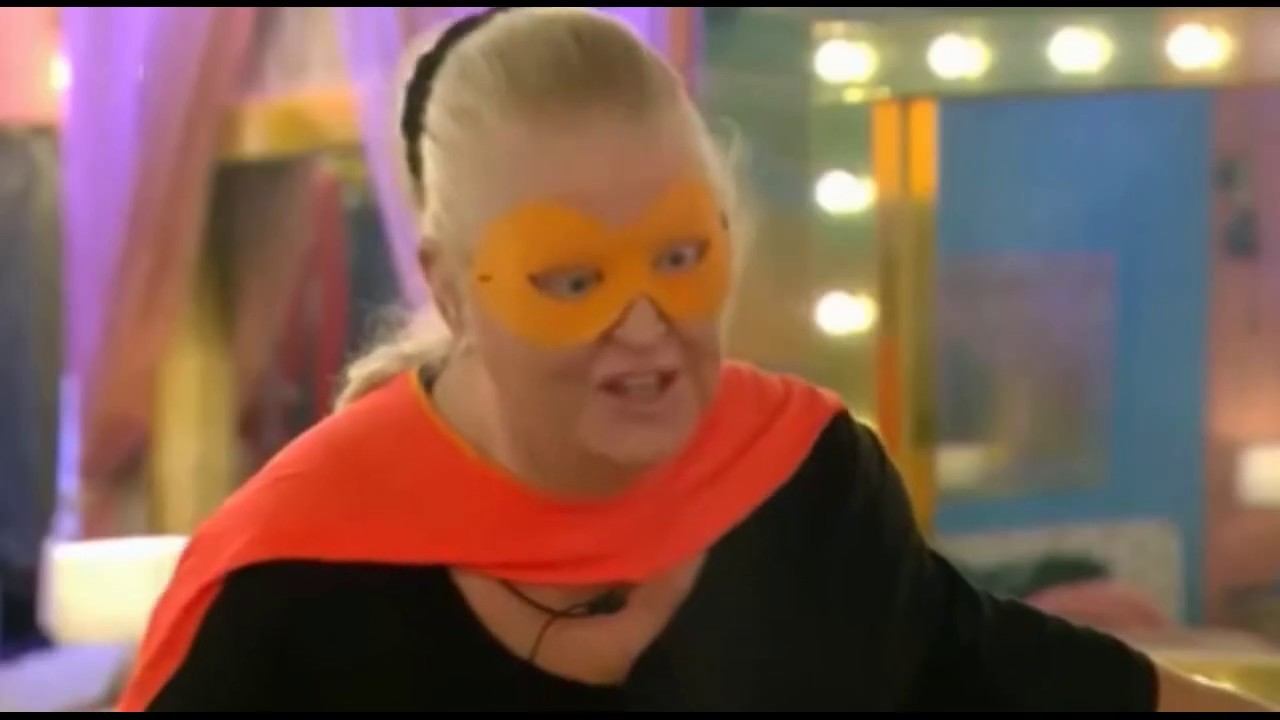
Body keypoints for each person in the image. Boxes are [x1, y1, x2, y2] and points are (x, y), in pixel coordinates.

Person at [116, 7, 1272, 712]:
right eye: (571, 277)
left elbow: (985, 671)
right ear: (449, 288)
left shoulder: (804, 478)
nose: (643, 325)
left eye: (677, 257)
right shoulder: (288, 581)